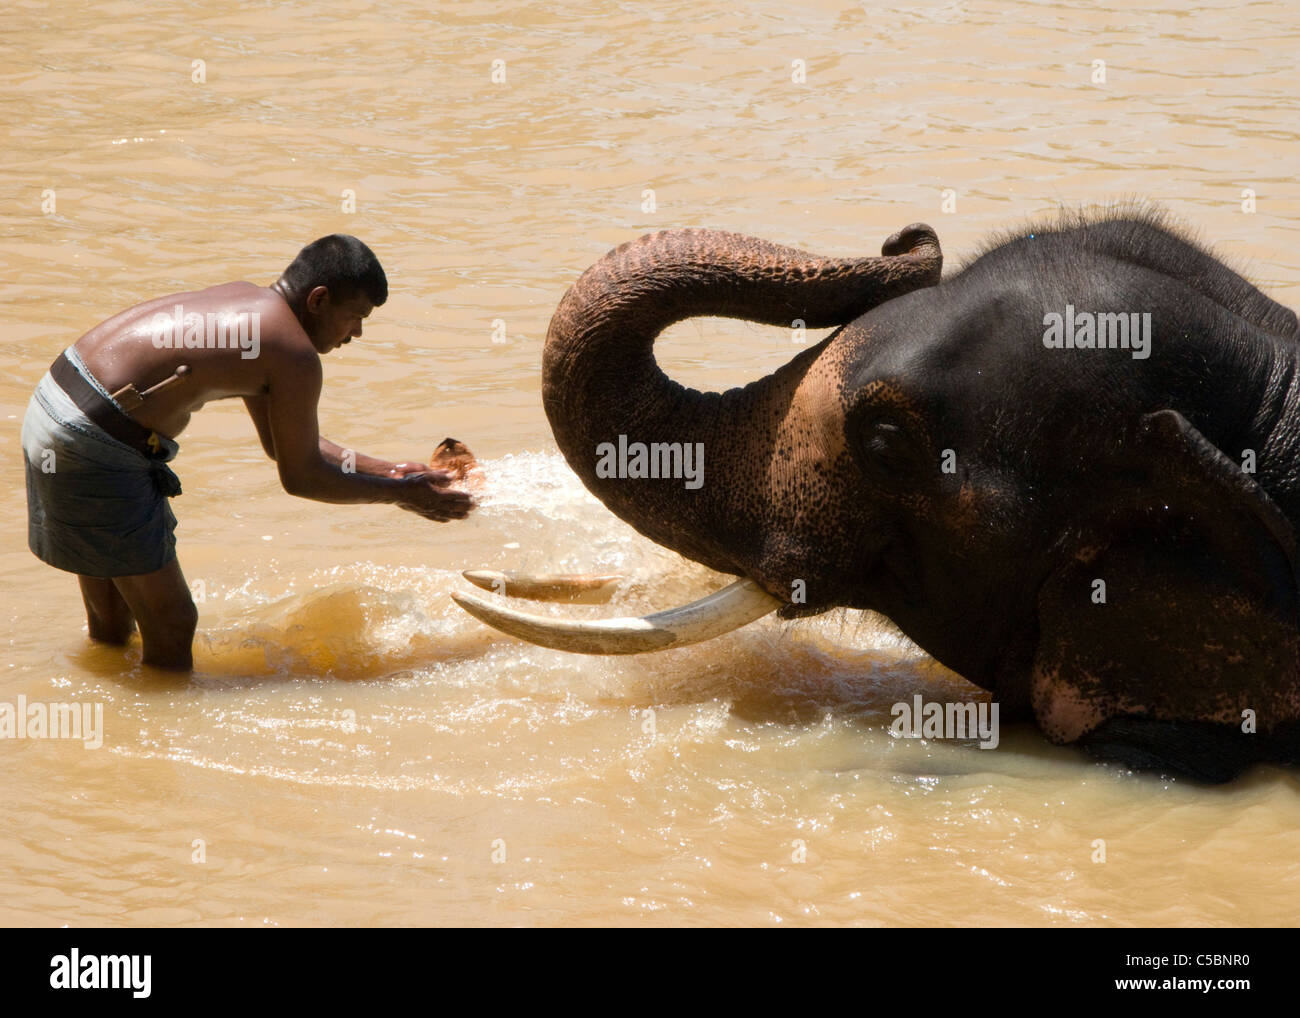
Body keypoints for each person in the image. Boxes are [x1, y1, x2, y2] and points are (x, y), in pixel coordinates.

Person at [21, 234, 474, 670]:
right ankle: (162, 731)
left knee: (112, 623)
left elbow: (284, 447)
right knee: (173, 624)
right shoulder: (294, 354)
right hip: (94, 443)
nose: (356, 333)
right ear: (318, 300)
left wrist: (396, 473)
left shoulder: (253, 309)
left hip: (54, 409)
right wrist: (402, 496)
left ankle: (106, 715)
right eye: (355, 317)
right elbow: (300, 477)